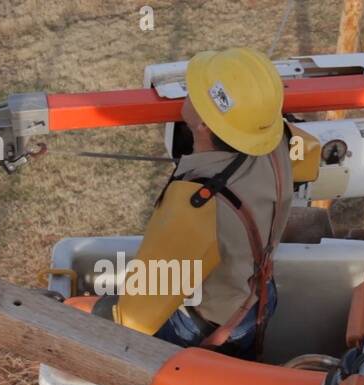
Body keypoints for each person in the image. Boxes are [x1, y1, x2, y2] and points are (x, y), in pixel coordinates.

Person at [87, 47, 311, 359]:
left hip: (207, 325)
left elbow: (136, 316)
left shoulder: (196, 206)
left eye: (193, 93)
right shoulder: (277, 140)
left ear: (204, 124)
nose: (187, 95)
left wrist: (98, 312)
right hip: (259, 296)